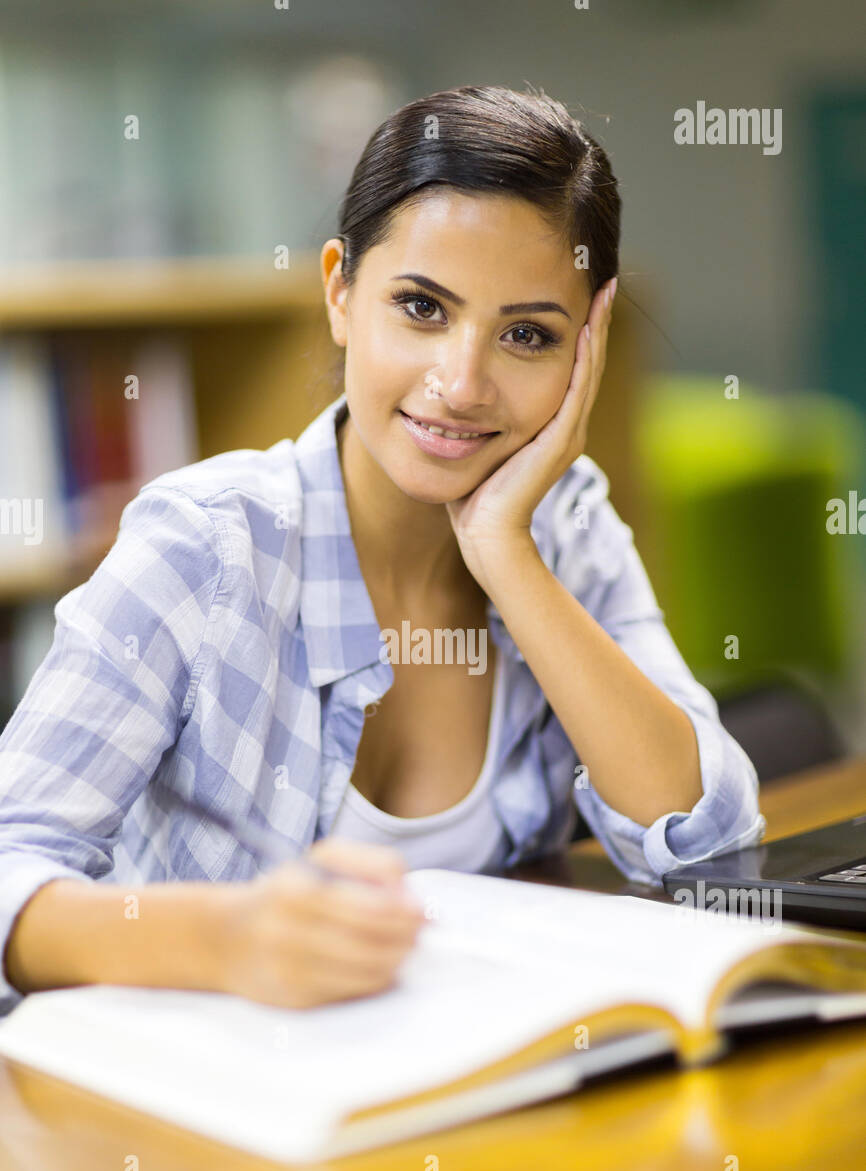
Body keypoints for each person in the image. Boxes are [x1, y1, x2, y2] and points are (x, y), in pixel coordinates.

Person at [0, 85, 765, 1016]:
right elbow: (11, 869)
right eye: (421, 308)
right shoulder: (205, 545)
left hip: (462, 1102)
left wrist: (506, 556)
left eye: (528, 335)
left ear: (588, 349)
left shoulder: (566, 529)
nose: (462, 384)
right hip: (210, 1125)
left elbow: (709, 839)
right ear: (339, 291)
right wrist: (228, 940)